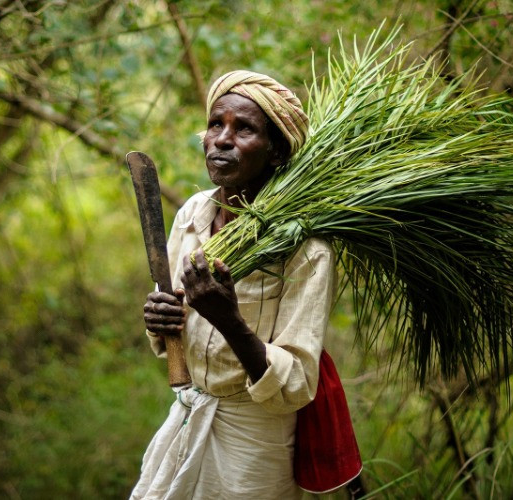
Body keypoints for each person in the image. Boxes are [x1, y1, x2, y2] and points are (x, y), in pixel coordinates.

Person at [131, 71, 352, 499]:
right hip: (189, 415)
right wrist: (160, 319)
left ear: (275, 152)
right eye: (216, 124)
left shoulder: (304, 247)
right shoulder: (192, 215)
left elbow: (297, 382)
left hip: (253, 448)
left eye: (244, 129)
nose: (221, 140)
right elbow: (174, 333)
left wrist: (229, 321)